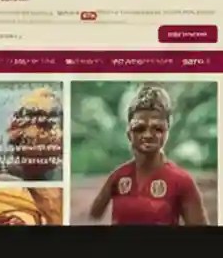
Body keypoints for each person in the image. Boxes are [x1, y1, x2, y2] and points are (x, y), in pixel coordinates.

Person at [87, 85, 209, 225]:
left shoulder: (181, 181)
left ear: (166, 132)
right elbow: (93, 215)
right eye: (139, 128)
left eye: (157, 128)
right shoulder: (118, 177)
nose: (148, 135)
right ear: (129, 133)